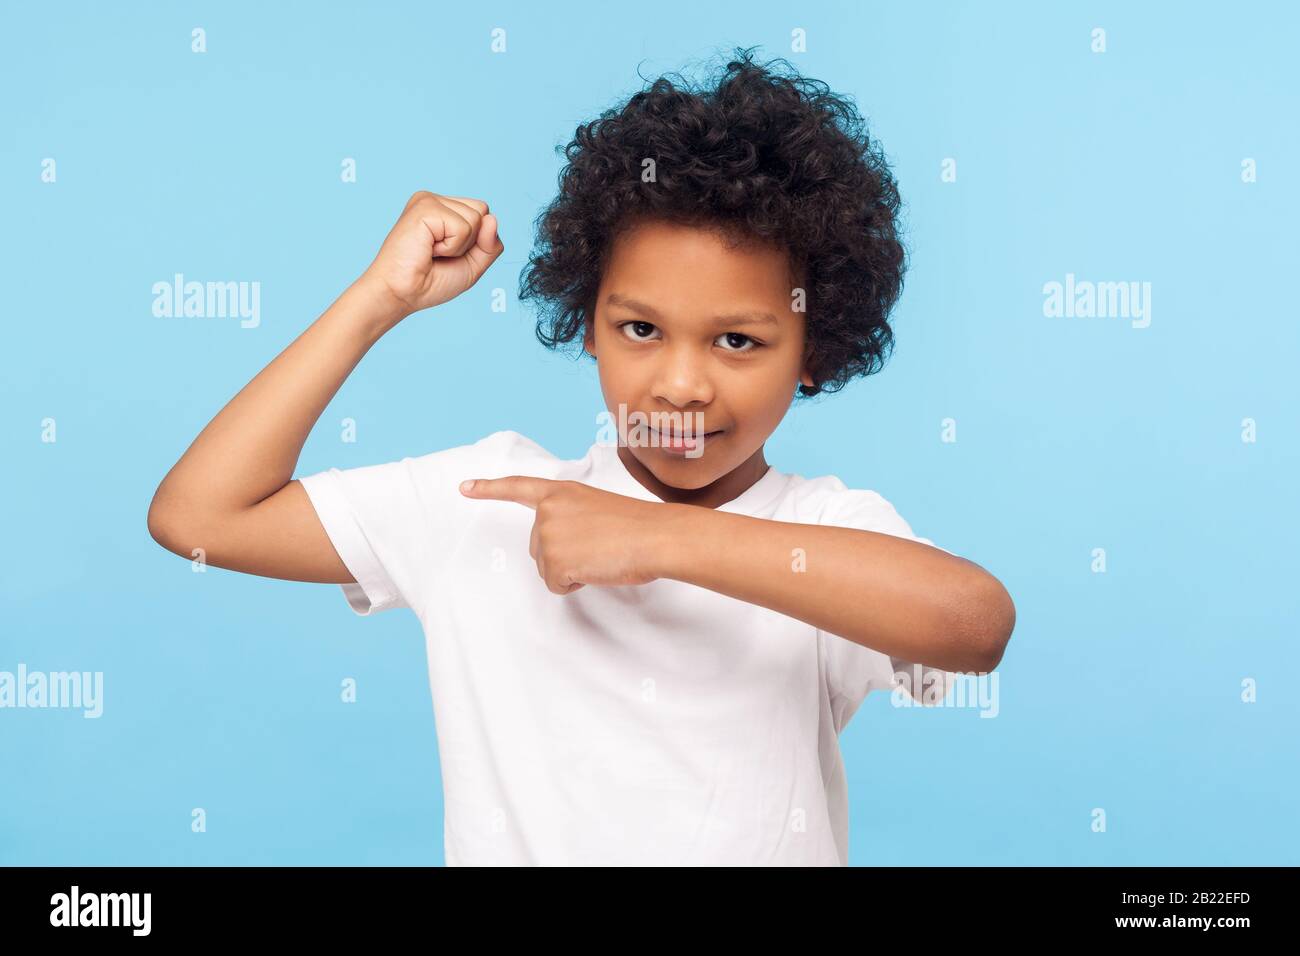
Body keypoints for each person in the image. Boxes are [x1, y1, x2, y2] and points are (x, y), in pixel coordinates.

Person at [148, 47, 1015, 866]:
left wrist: (660, 540)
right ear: (586, 322)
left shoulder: (820, 531)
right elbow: (199, 518)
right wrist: (379, 300)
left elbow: (974, 626)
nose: (680, 385)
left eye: (739, 341)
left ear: (814, 348)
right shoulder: (488, 502)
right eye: (640, 329)